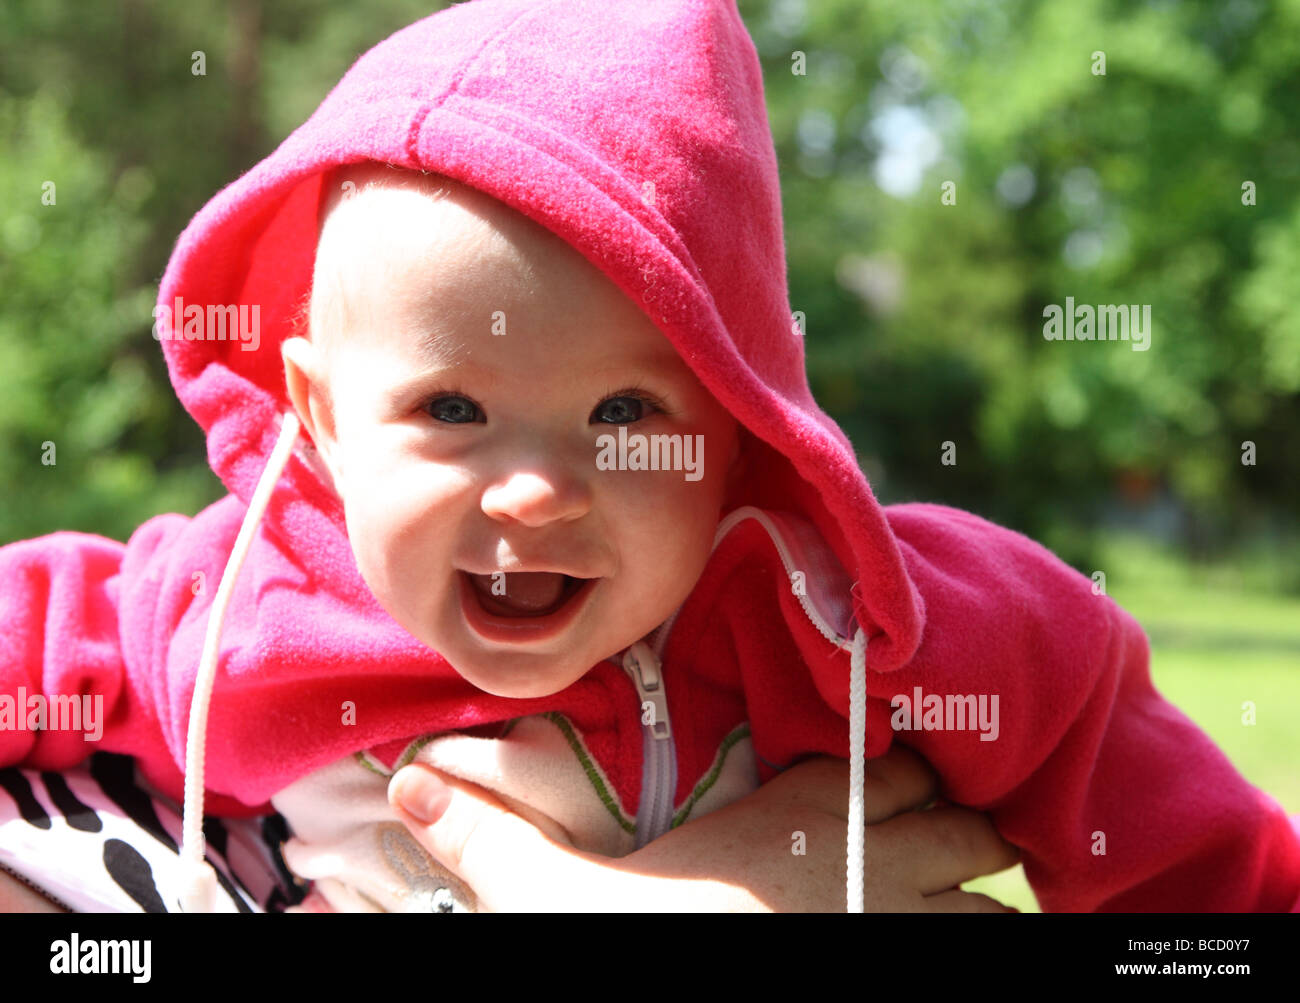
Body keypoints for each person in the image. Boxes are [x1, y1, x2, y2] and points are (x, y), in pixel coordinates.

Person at [1, 0, 1297, 913]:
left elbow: (1135, 783)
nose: (534, 491)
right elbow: (51, 628)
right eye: (450, 409)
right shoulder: (253, 599)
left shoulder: (868, 629)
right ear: (323, 420)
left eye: (625, 413)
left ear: (738, 426)